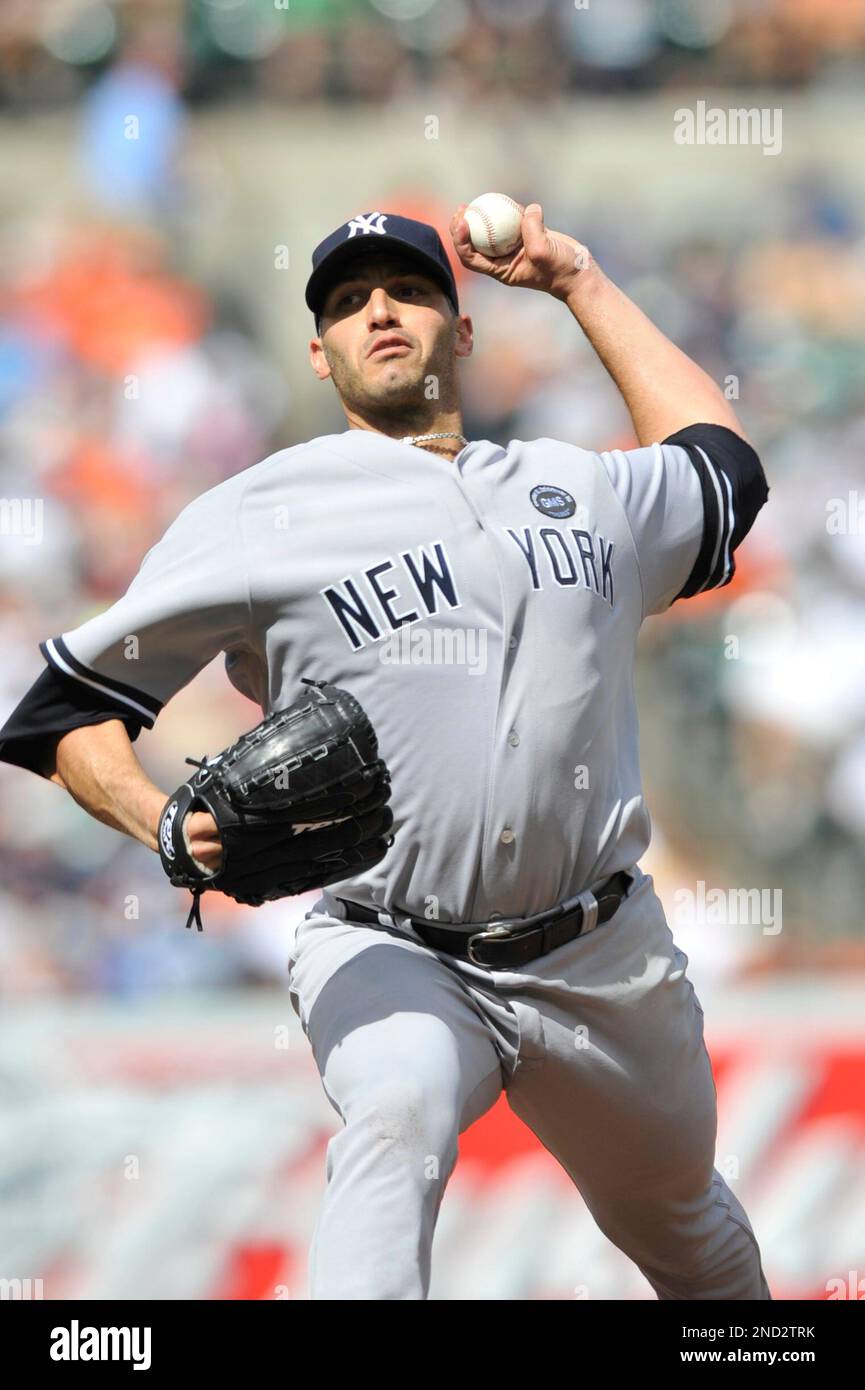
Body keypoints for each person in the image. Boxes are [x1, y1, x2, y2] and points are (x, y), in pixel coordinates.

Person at [0, 204, 771, 1301]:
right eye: (348, 302)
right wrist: (160, 818)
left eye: (407, 291)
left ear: (460, 332)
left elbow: (726, 469)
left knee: (687, 1229)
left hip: (598, 953)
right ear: (319, 354)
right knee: (394, 1116)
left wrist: (579, 279)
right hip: (391, 941)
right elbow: (61, 709)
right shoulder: (258, 513)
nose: (380, 312)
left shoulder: (580, 487)